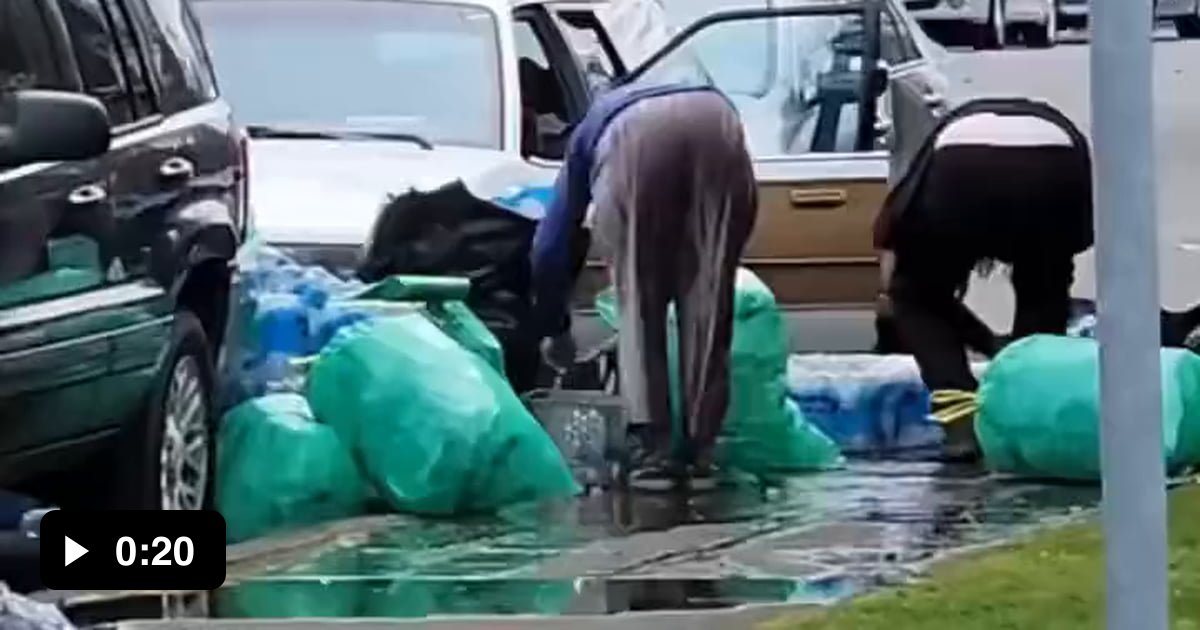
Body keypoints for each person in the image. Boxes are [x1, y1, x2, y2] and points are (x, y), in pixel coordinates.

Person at [531, 80, 757, 492]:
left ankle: (652, 452)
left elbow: (551, 245)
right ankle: (701, 451)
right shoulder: (654, 94)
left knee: (638, 295)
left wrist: (553, 327)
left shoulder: (587, 134)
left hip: (633, 137)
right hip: (717, 117)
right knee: (710, 289)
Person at [874, 97, 1094, 461]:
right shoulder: (1052, 123)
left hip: (959, 165)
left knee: (917, 297)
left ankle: (960, 425)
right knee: (1043, 291)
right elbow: (1080, 233)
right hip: (1056, 160)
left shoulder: (933, 151)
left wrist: (902, 291)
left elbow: (907, 276)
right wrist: (990, 342)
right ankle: (1027, 417)